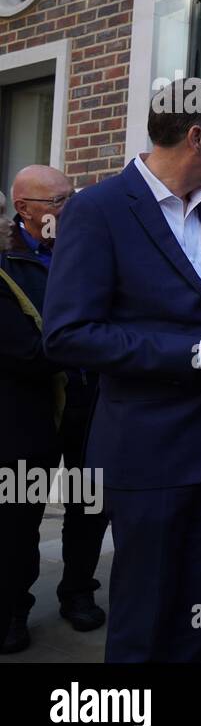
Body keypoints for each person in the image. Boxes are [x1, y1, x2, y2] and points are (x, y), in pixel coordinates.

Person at [42, 89, 201, 663]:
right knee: (143, 615)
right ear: (195, 136)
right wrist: (192, 355)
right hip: (149, 452)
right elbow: (68, 334)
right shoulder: (97, 210)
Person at [1, 166, 108, 654]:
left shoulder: (89, 249)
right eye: (58, 201)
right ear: (24, 209)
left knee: (90, 505)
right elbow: (24, 350)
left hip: (89, 404)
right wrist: (91, 345)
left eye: (72, 196)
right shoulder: (7, 261)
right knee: (20, 513)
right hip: (32, 413)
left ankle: (78, 591)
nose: (70, 208)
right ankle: (12, 609)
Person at [0, 193, 68, 656]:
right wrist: (79, 342)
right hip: (15, 435)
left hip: (23, 431)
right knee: (12, 532)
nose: (7, 223)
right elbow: (26, 353)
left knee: (16, 531)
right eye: (1, 214)